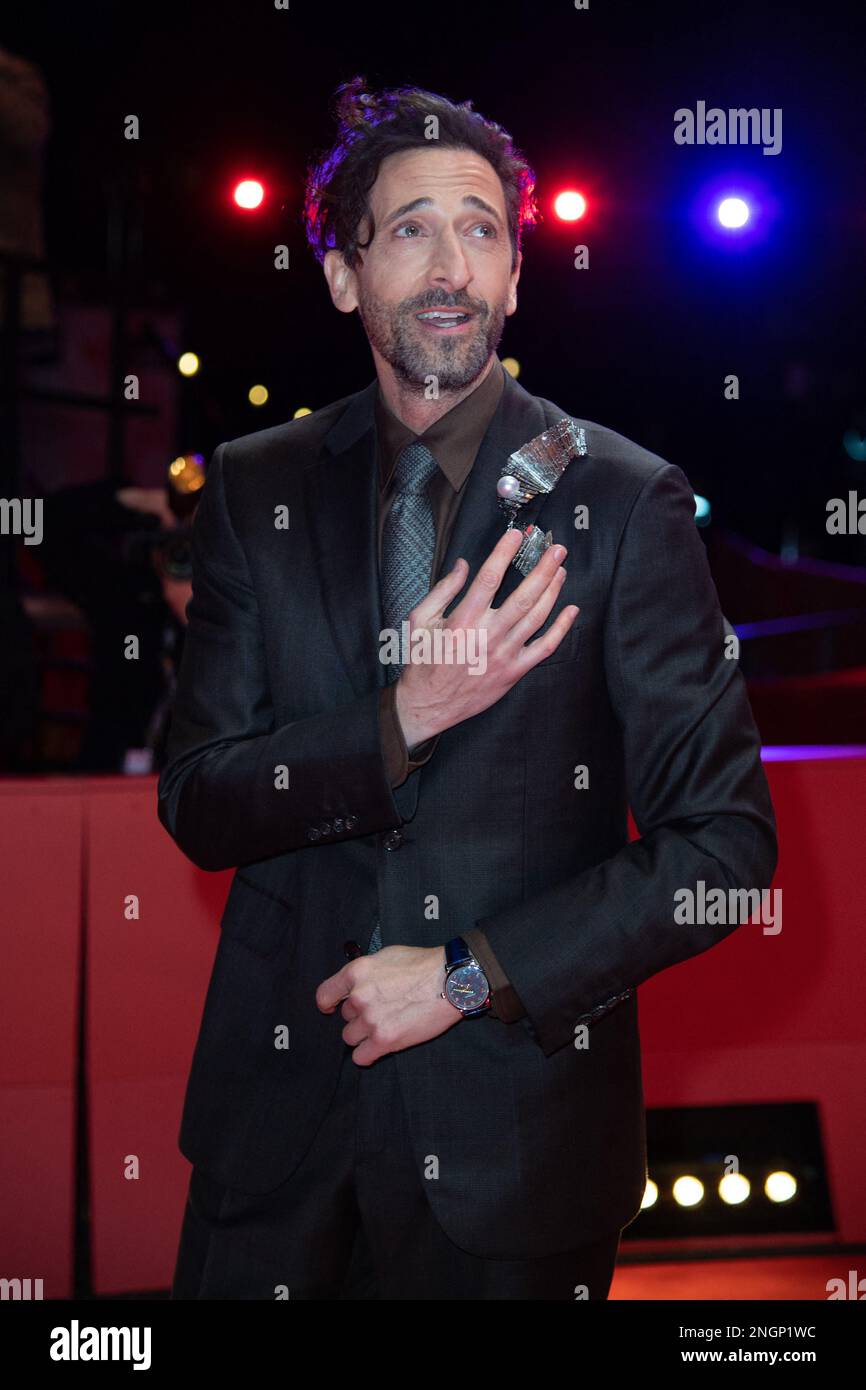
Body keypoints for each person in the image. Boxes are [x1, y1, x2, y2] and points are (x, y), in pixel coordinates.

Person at [157, 78, 777, 1300]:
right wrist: (401, 722)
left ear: (512, 275)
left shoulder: (620, 499)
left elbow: (724, 855)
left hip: (517, 1156)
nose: (451, 263)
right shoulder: (254, 484)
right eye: (410, 228)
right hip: (272, 1152)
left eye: (481, 228)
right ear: (343, 275)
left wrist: (461, 976)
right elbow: (198, 798)